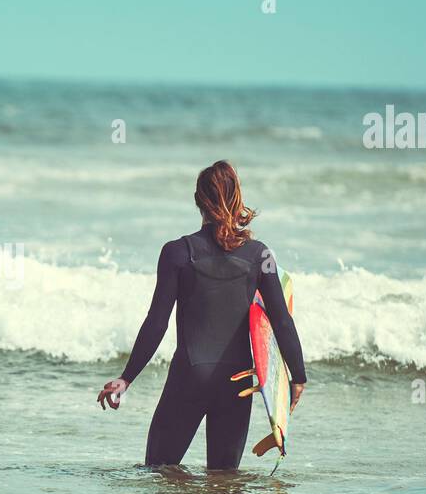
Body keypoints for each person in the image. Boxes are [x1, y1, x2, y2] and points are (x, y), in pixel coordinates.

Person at [97, 160, 306, 469]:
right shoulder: (261, 255)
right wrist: (297, 376)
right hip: (237, 383)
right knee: (223, 482)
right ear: (237, 198)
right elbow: (281, 321)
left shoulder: (177, 253)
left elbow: (157, 322)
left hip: (189, 377)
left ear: (198, 200)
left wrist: (127, 378)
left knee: (158, 471)